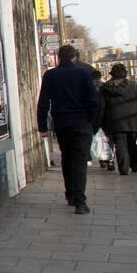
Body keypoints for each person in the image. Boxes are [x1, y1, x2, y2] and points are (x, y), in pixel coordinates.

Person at [37, 45, 99, 213]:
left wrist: (42, 126)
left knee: (67, 158)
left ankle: (70, 193)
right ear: (74, 58)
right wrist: (90, 119)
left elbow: (43, 103)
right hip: (81, 123)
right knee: (80, 161)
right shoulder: (83, 74)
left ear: (59, 58)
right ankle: (80, 201)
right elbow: (94, 100)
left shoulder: (50, 75)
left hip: (62, 123)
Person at [95, 63, 137, 175]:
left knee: (120, 144)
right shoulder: (133, 86)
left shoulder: (105, 88)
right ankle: (135, 165)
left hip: (114, 121)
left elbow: (101, 107)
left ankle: (123, 168)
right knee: (132, 143)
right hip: (133, 119)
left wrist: (97, 124)